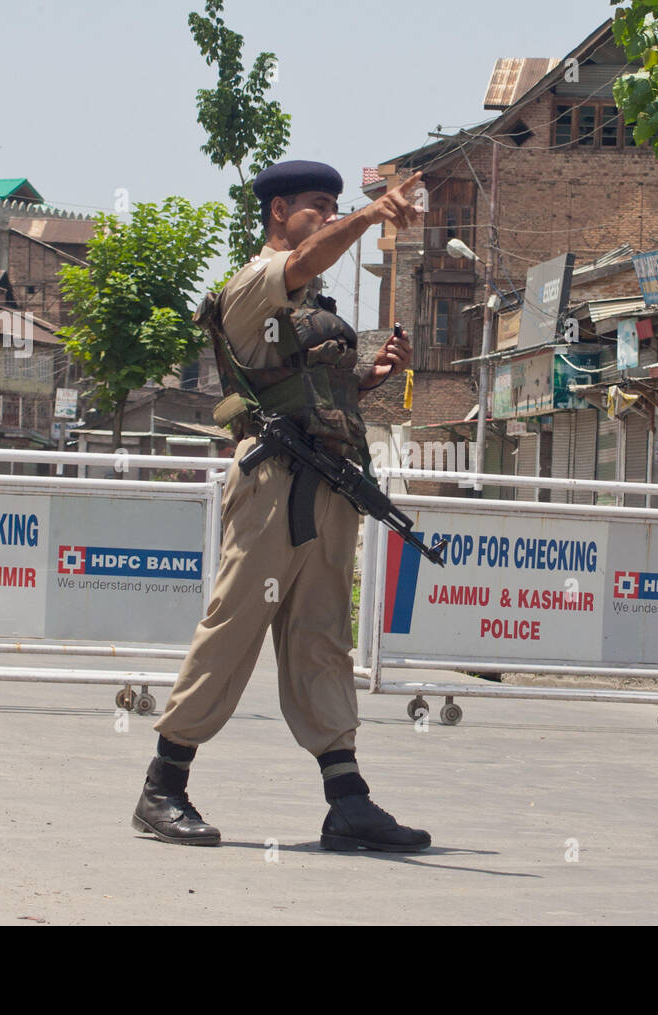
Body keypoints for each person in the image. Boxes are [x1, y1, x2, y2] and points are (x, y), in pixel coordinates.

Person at [132, 160, 432, 852]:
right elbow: (305, 259)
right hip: (272, 482)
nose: (327, 215)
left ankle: (347, 800)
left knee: (322, 637)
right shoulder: (255, 283)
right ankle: (162, 786)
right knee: (234, 624)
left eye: (334, 204)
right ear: (278, 212)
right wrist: (367, 215)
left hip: (329, 485)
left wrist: (373, 377)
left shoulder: (311, 306)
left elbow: (319, 394)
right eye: (315, 206)